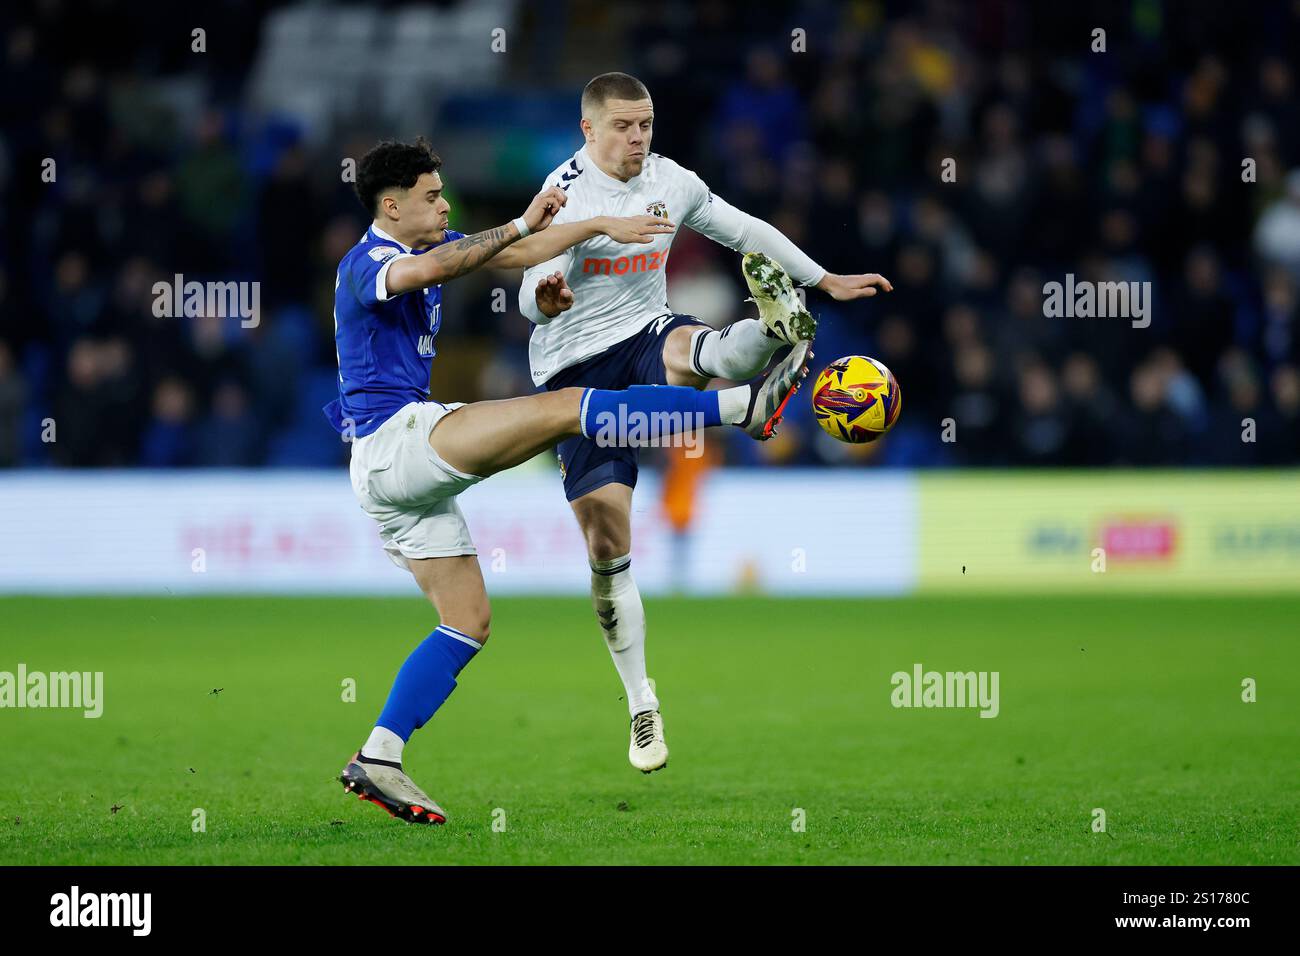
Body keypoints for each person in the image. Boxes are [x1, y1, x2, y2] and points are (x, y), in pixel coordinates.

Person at [327, 137, 811, 823]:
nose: (443, 204)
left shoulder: (431, 246)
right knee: (567, 409)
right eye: (432, 196)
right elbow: (429, 270)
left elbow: (516, 254)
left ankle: (379, 753)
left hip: (393, 475)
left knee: (466, 623)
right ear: (391, 203)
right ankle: (740, 405)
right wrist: (525, 223)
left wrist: (591, 228)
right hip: (393, 442)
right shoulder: (368, 261)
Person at [517, 72, 891, 772]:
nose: (637, 138)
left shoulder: (671, 180)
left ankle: (773, 329)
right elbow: (524, 300)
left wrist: (823, 279)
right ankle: (640, 704)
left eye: (646, 124)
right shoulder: (563, 193)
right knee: (606, 545)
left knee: (692, 349)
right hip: (573, 370)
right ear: (588, 130)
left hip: (645, 331)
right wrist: (546, 295)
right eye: (624, 126)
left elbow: (744, 228)